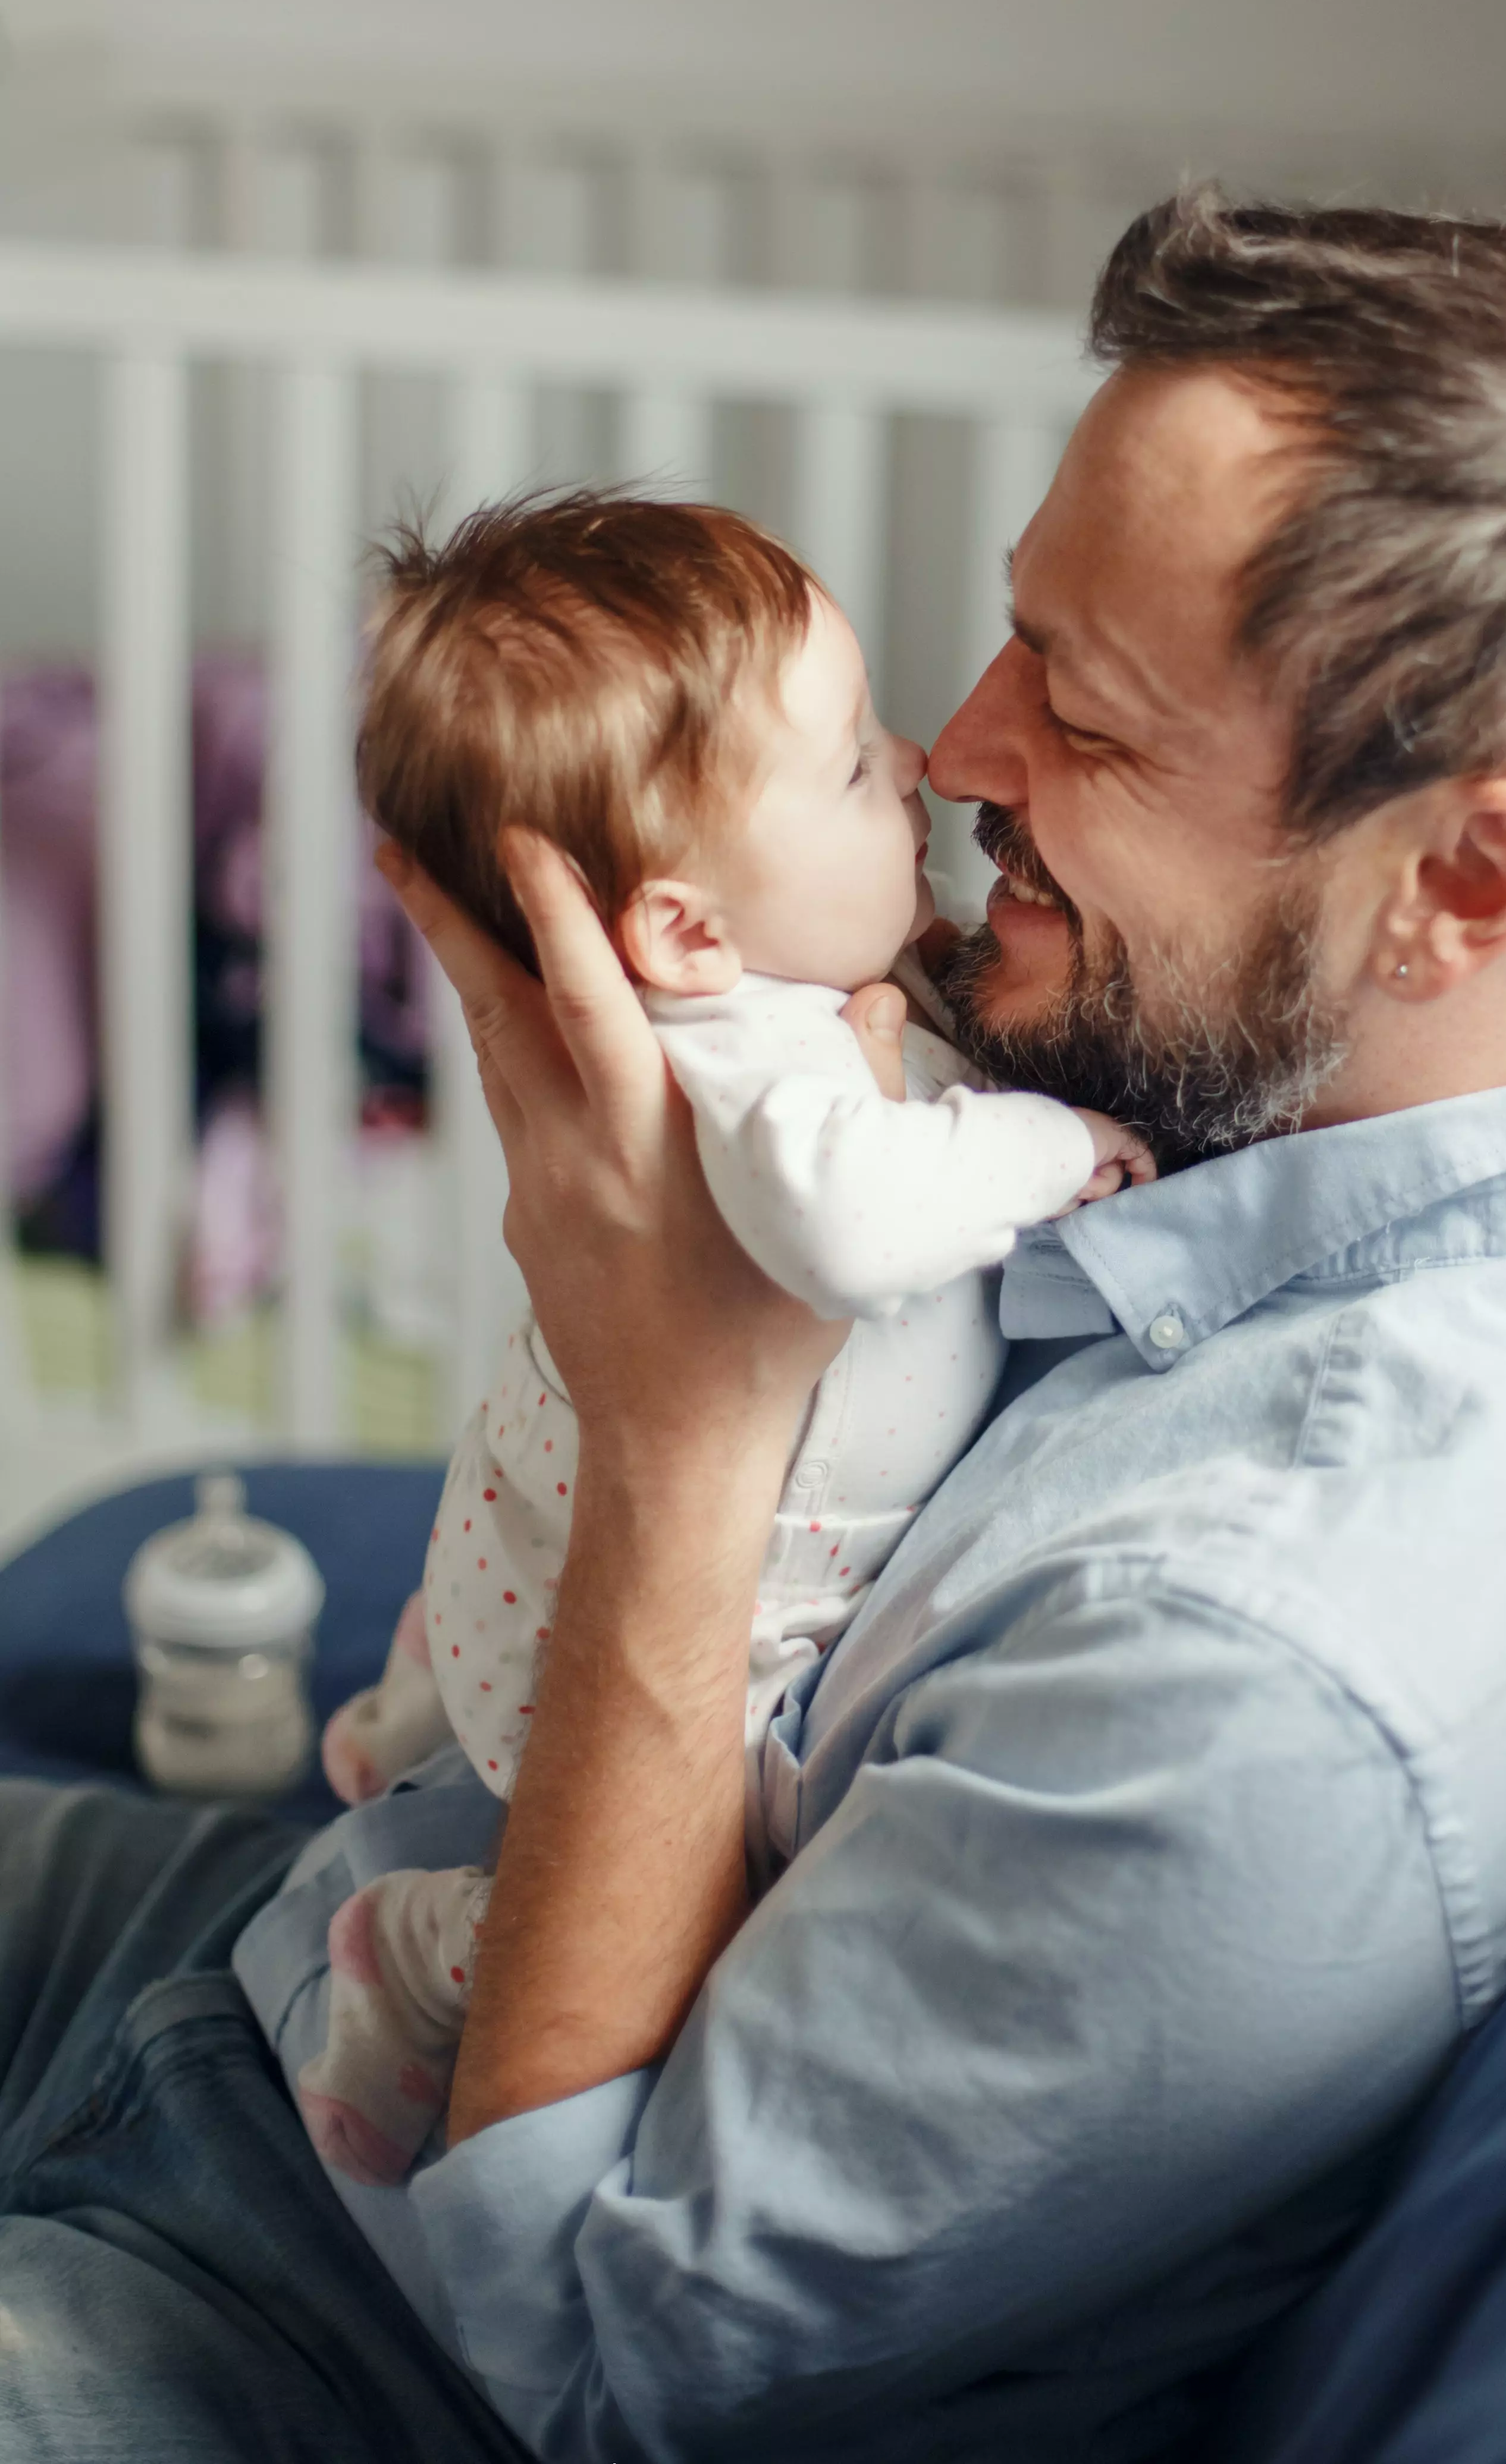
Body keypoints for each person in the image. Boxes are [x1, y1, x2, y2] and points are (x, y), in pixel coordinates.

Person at [0, 192, 1506, 2463]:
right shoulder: (1253, 1097)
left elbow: (565, 2335)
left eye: (1091, 714)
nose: (954, 753)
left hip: (321, 2328)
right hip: (282, 1957)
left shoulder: (1261, 1688)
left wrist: (670, 1427)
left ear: (1460, 881)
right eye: (1017, 642)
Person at [297, 494, 1147, 2184]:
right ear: (686, 929)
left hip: (528, 1527)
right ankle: (410, 1949)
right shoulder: (753, 1056)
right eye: (847, 769)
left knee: (512, 1564)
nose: (914, 759)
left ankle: (397, 1727)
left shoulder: (757, 1000)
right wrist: (1059, 1147)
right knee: (733, 1865)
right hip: (720, 1601)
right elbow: (852, 1218)